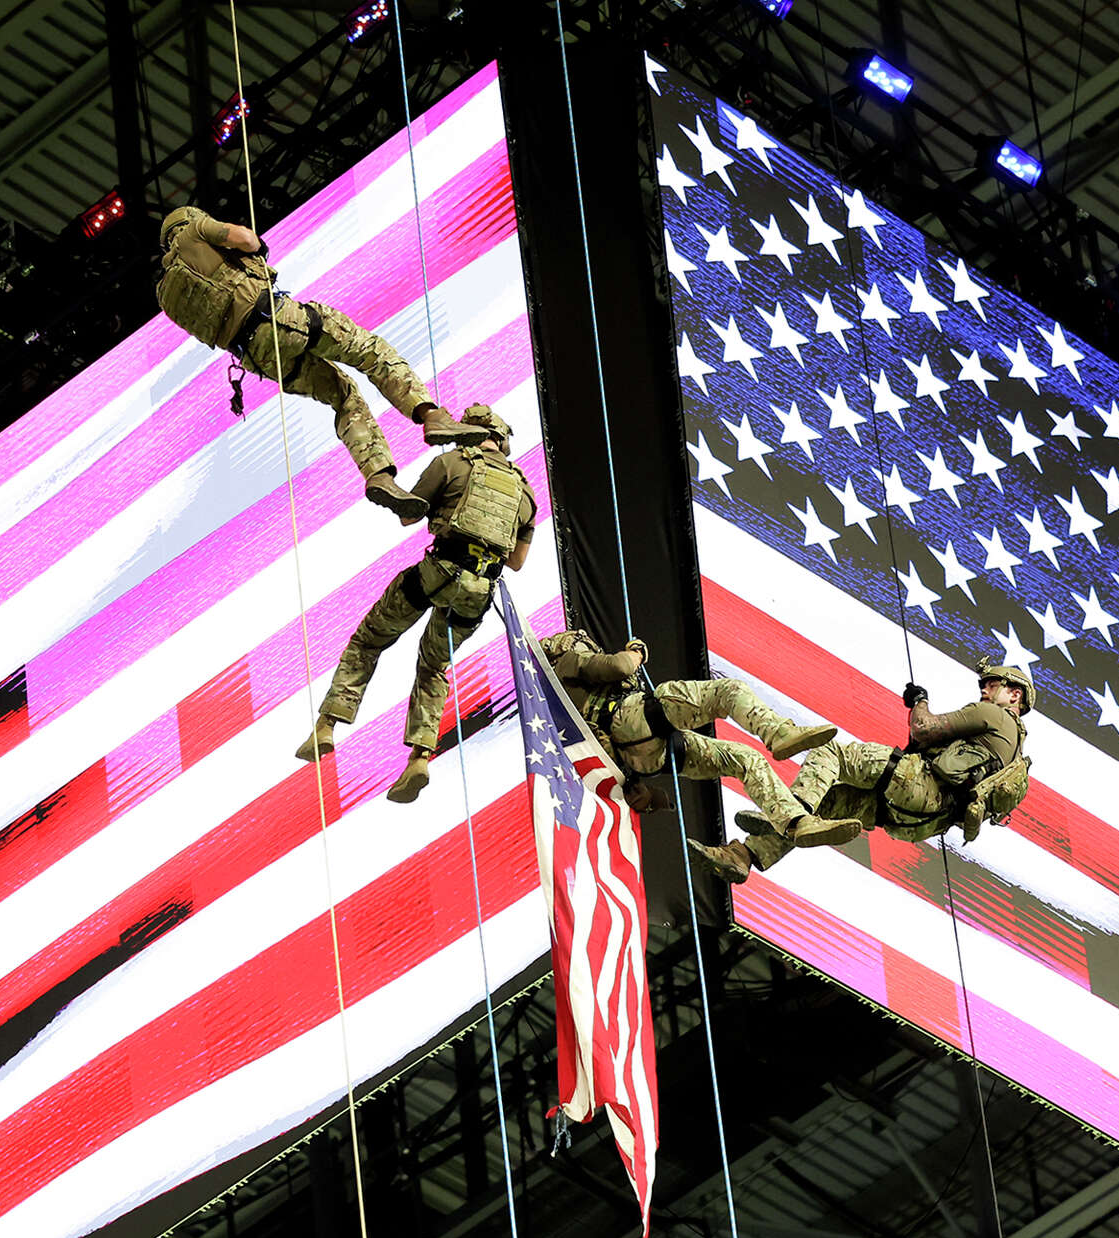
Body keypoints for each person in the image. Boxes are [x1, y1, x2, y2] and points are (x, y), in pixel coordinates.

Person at [156, 206, 486, 518]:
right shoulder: (194, 231)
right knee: (369, 350)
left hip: (258, 358)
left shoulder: (166, 294)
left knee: (343, 396)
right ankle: (432, 415)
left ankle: (378, 475)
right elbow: (245, 239)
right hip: (277, 319)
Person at [296, 405, 533, 802]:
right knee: (434, 666)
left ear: (467, 433)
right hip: (478, 593)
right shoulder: (525, 492)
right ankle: (420, 757)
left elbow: (410, 515)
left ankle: (327, 726)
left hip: (437, 572)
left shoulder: (452, 462)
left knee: (370, 640)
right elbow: (517, 561)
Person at [692, 664, 1036, 883]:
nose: (984, 689)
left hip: (914, 784)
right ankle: (743, 857)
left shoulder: (995, 715)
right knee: (826, 804)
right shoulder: (1013, 753)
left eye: (993, 684)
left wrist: (919, 700)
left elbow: (924, 729)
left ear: (1014, 694)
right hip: (918, 822)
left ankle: (789, 811)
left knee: (832, 752)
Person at [540, 628, 860, 851]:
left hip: (640, 756)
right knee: (727, 692)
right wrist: (636, 652)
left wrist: (651, 796)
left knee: (744, 760)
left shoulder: (552, 716)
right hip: (632, 718)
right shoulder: (566, 665)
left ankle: (796, 822)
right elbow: (619, 665)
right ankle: (779, 733)